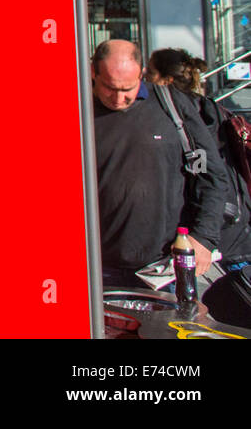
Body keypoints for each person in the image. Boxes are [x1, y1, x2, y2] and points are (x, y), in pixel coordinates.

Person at [92, 40, 231, 295]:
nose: (119, 99)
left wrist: (203, 238)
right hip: (96, 266)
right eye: (110, 88)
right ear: (94, 73)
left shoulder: (172, 107)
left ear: (142, 74)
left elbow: (206, 173)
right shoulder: (79, 111)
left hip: (163, 266)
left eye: (128, 89)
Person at [146, 47, 251, 326]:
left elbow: (206, 174)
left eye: (149, 72)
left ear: (165, 81)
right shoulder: (216, 109)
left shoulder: (180, 115)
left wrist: (202, 235)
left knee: (181, 315)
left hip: (208, 231)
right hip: (237, 224)